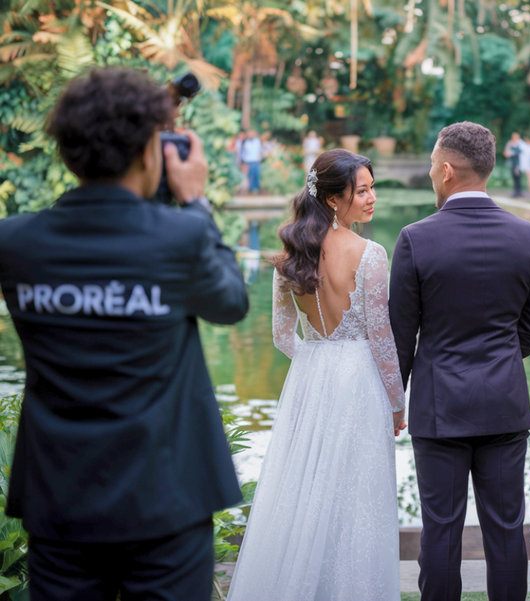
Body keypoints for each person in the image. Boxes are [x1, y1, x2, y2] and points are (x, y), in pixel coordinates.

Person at [0, 68, 250, 600]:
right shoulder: (181, 235)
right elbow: (230, 302)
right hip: (168, 495)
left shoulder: (15, 243)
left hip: (59, 495)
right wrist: (196, 202)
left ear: (68, 152)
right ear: (150, 151)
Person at [226, 149, 406, 601]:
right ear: (332, 199)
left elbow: (283, 336)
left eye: (371, 187)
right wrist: (398, 402)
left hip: (311, 375)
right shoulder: (370, 253)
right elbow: (382, 338)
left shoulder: (291, 251)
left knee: (305, 487)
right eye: (361, 190)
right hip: (361, 378)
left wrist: (316, 365)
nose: (371, 197)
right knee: (356, 492)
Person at [389, 121, 530, 601]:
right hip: (504, 404)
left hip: (439, 410)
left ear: (445, 170)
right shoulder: (528, 236)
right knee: (507, 530)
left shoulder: (415, 238)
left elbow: (401, 338)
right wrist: (497, 358)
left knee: (440, 531)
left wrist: (395, 401)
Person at [241, 129, 262, 193]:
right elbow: (244, 152)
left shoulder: (257, 141)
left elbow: (259, 150)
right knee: (250, 175)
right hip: (249, 161)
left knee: (256, 175)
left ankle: (256, 188)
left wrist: (260, 157)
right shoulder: (246, 142)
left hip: (256, 160)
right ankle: (251, 188)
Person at [503, 132, 523, 198]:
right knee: (514, 177)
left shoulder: (520, 143)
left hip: (519, 163)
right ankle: (515, 191)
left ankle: (519, 192)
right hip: (512, 163)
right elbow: (505, 153)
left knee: (519, 178)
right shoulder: (510, 143)